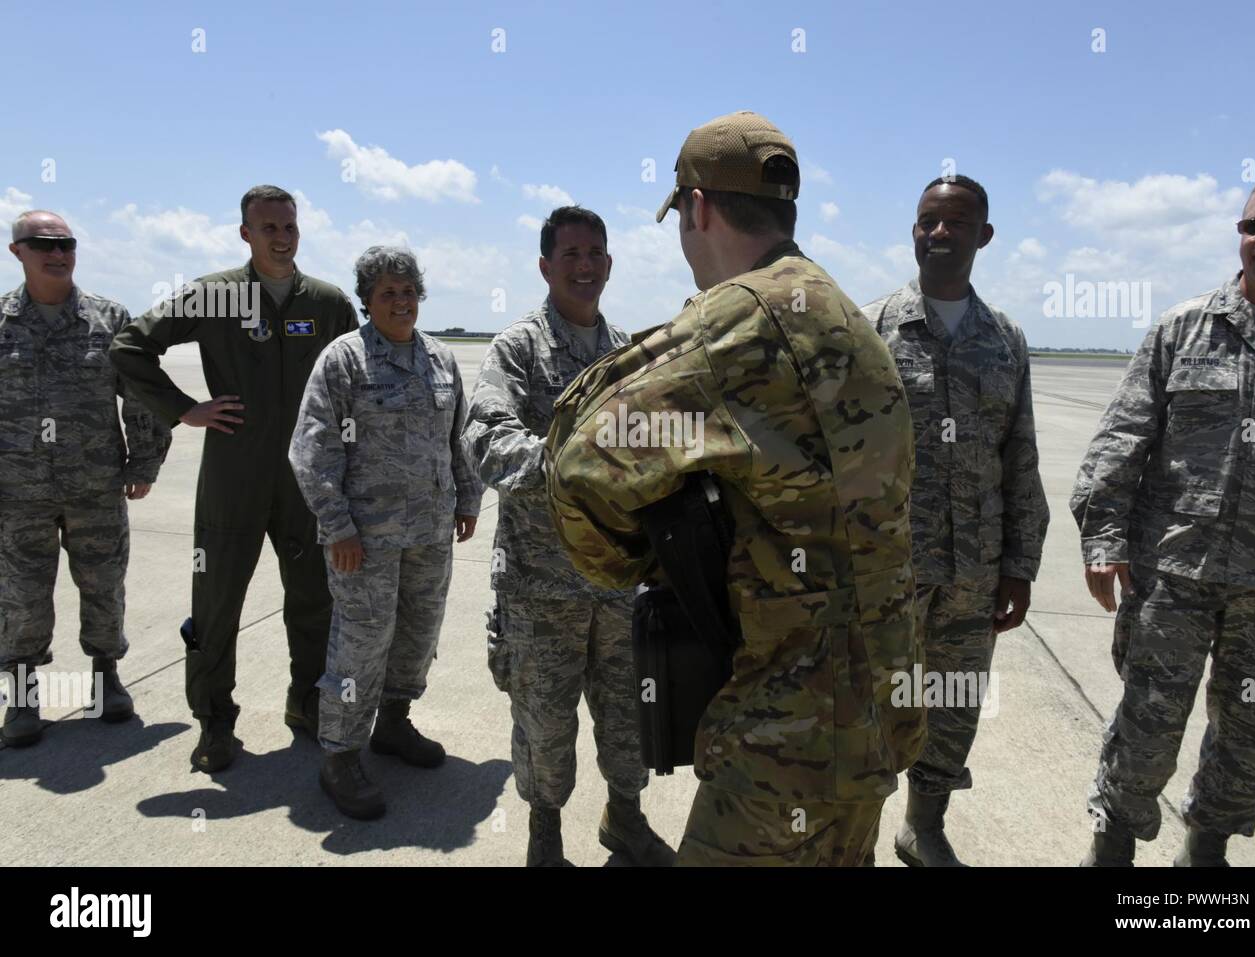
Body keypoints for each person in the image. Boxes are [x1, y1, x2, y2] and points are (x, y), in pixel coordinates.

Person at [545, 111, 924, 866]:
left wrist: (639, 565)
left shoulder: (741, 320)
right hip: (876, 715)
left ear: (699, 208)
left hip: (786, 736)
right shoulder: (848, 314)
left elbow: (579, 463)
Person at [1072, 169, 1255, 867]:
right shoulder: (1183, 329)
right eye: (1251, 223)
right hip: (1171, 577)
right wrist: (1104, 537)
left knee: (1249, 738)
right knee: (1145, 727)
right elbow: (1119, 442)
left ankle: (1204, 859)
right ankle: (1110, 853)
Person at [110, 185, 358, 773]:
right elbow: (128, 349)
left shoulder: (326, 303)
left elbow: (359, 376)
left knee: (314, 600)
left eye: (290, 226)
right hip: (232, 477)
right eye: (268, 227)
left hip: (306, 479)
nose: (281, 237)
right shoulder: (215, 296)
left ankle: (308, 704)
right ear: (245, 233)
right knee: (216, 602)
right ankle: (215, 723)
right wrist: (183, 408)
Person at [464, 207, 673, 867]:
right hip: (540, 590)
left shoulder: (626, 354)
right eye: (571, 254)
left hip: (617, 586)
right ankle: (544, 836)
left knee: (629, 719)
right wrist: (569, 465)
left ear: (609, 264)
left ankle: (625, 818)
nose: (585, 266)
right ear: (546, 266)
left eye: (595, 253)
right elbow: (486, 439)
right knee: (546, 725)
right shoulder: (518, 348)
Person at [861, 176, 1049, 866]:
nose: (939, 233)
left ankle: (924, 826)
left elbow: (1020, 456)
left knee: (953, 705)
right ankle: (855, 837)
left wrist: (1020, 564)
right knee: (875, 706)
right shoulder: (871, 328)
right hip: (889, 571)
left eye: (955, 223)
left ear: (983, 237)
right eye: (927, 221)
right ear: (913, 230)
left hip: (974, 573)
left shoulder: (1006, 341)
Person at [289, 246, 480, 819]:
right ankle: (341, 754)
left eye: (408, 291)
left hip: (429, 532)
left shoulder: (441, 360)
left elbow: (461, 437)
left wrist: (468, 498)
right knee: (361, 645)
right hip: (363, 541)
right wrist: (337, 524)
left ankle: (394, 723)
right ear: (367, 301)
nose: (401, 302)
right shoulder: (344, 360)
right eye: (387, 293)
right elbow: (313, 448)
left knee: (419, 635)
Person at [0, 210, 171, 746]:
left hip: (95, 483)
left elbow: (142, 392)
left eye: (66, 243)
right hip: (17, 490)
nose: (57, 252)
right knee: (21, 594)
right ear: (17, 252)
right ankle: (23, 696)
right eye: (43, 243)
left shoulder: (107, 317)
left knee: (103, 584)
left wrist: (144, 462)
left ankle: (107, 677)